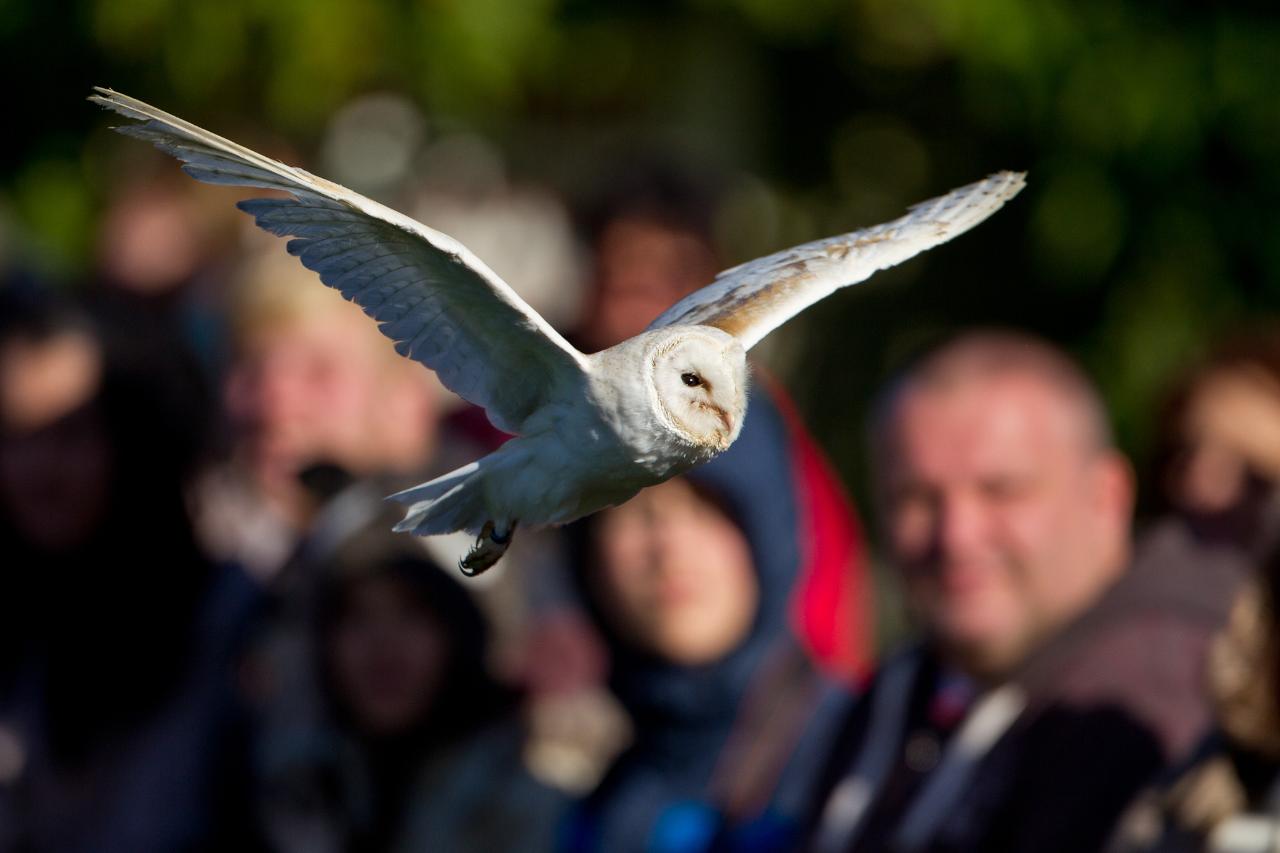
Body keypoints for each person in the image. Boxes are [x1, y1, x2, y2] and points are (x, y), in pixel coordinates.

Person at [804, 330, 1227, 853]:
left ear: (1106, 497)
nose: (956, 535)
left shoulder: (1156, 703)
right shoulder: (898, 694)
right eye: (916, 498)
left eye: (1001, 491)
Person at [0, 285, 263, 852]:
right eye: (12, 436)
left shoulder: (235, 622)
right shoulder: (20, 619)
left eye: (69, 435)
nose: (37, 469)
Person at [561, 382, 848, 853]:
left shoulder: (864, 760)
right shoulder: (567, 794)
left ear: (770, 536)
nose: (669, 548)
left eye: (706, 507)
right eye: (634, 512)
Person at [256, 521, 568, 853]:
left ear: (465, 631)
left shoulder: (538, 811)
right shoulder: (280, 798)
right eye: (356, 615)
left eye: (412, 611)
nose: (383, 645)